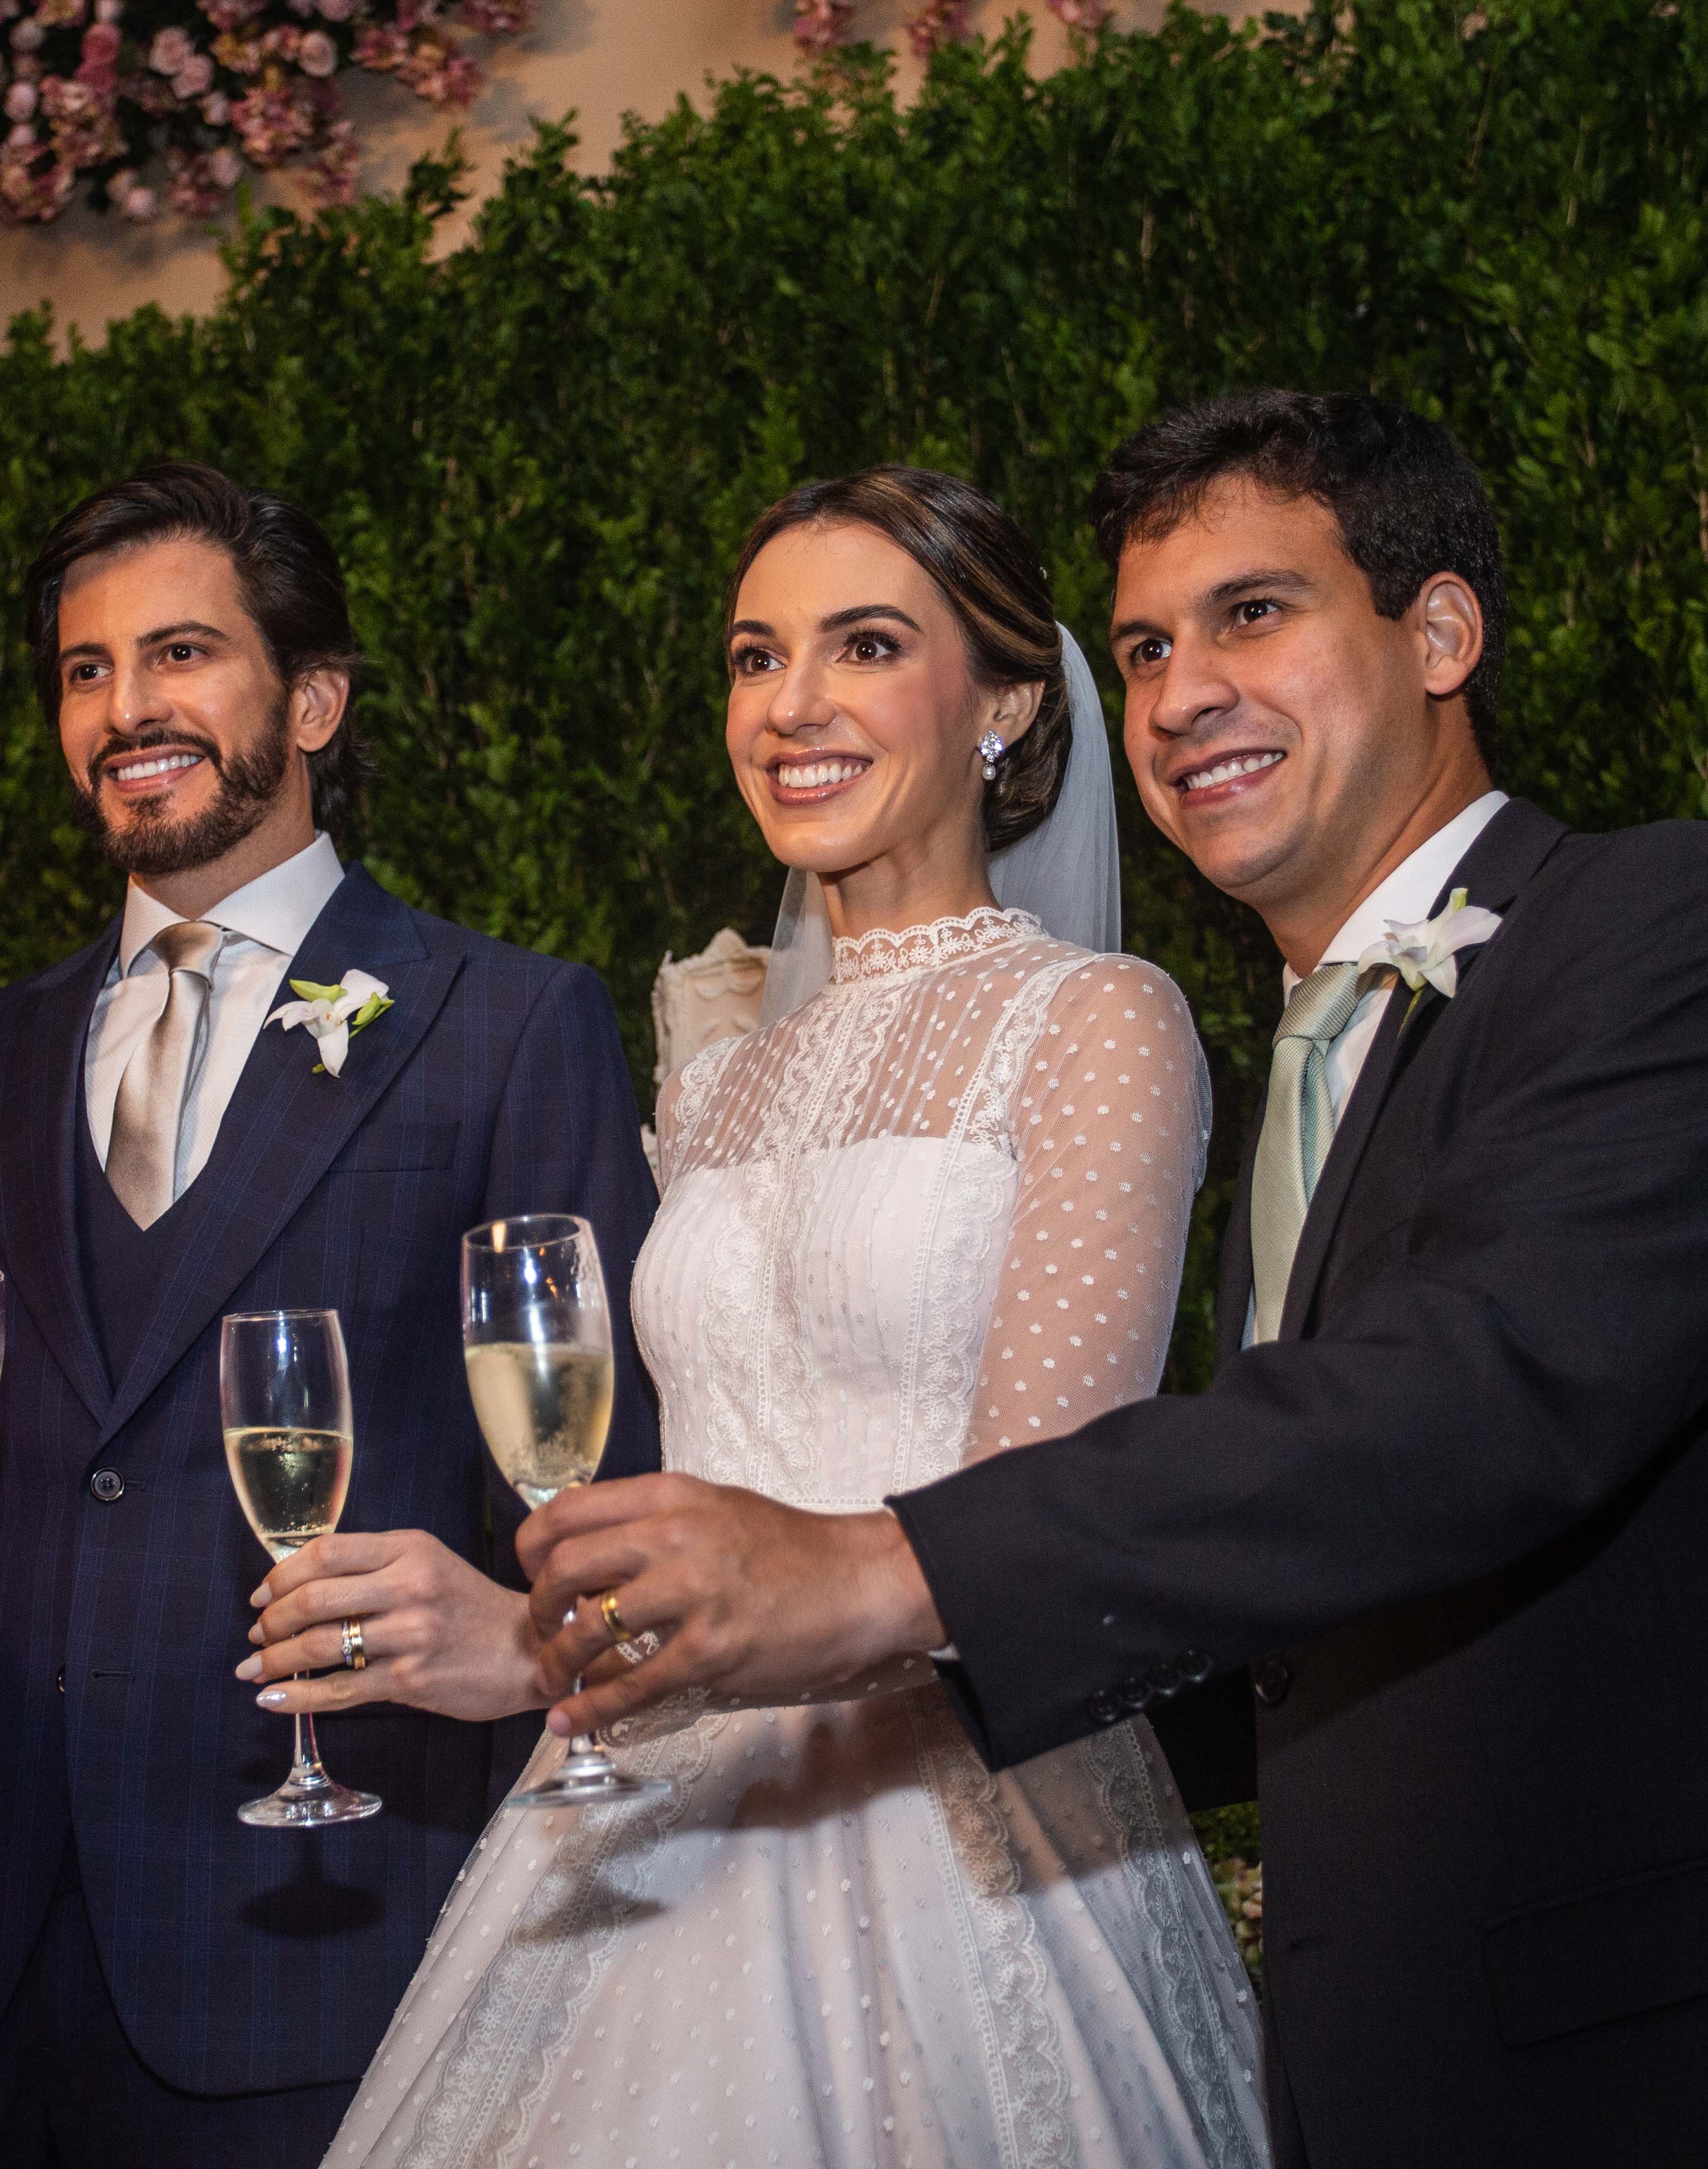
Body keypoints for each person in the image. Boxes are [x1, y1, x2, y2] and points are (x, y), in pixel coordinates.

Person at [514, 394, 1708, 2165]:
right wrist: (638, 1654)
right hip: (1432, 2071)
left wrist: (878, 1565)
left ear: (1440, 632)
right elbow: (1301, 1614)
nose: (1182, 692)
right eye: (1145, 647)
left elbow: (1477, 1396)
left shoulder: (1673, 931)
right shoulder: (1312, 1065)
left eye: (1254, 615)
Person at [282, 466, 1264, 2166]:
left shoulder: (1099, 1024)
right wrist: (533, 1642)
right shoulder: (718, 1069)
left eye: (862, 646)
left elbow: (1043, 1535)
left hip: (971, 1842)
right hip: (643, 1820)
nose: (788, 705)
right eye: (754, 657)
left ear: (1008, 701)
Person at [0, 461, 661, 2167]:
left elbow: (603, 1495)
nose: (129, 710)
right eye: (85, 670)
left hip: (319, 1963)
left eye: (182, 654)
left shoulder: (504, 1027)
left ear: (315, 699)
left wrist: (515, 1626)